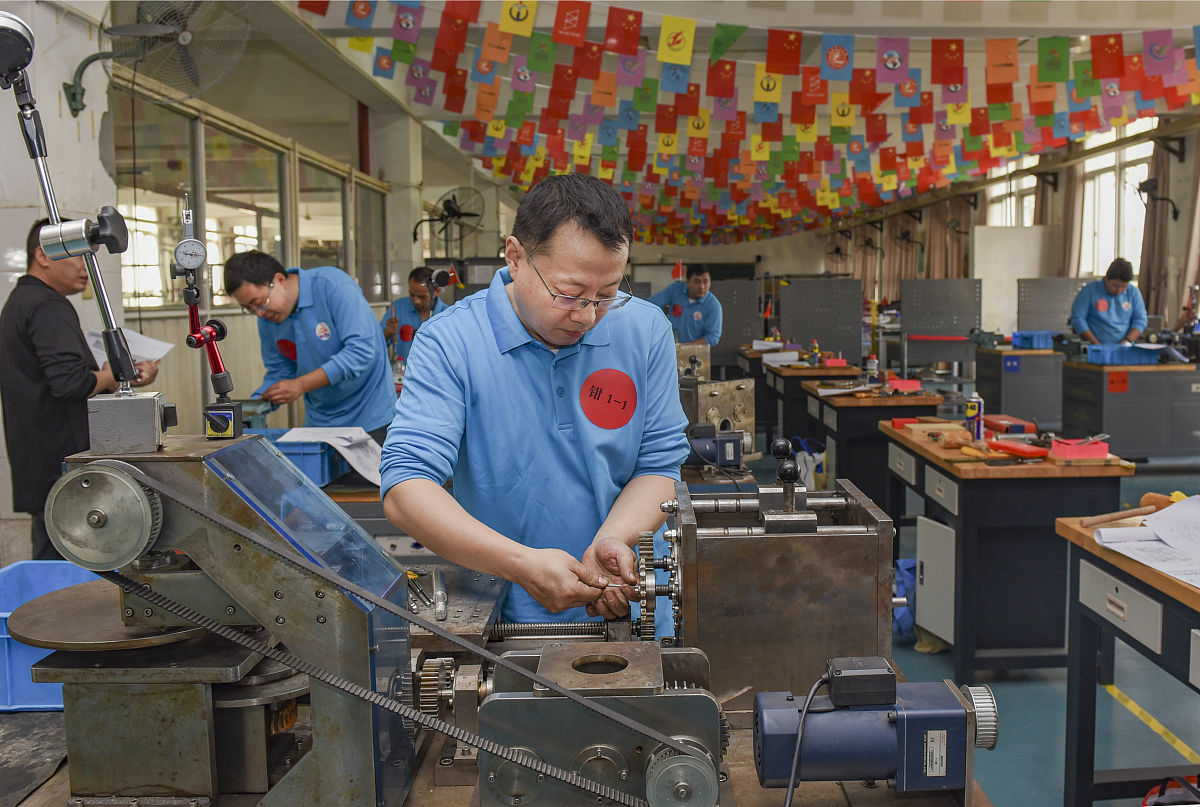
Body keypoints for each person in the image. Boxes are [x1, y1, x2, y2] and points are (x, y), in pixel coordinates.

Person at [380, 173, 689, 627]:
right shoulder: (452, 341)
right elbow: (406, 488)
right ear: (516, 257)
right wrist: (522, 565)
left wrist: (614, 541)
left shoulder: (644, 329)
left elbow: (660, 466)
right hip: (506, 619)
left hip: (633, 603)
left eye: (607, 295)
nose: (587, 316)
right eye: (569, 294)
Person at [0, 218, 160, 560]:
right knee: (65, 561)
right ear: (43, 255)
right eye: (76, 256)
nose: (85, 267)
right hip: (61, 462)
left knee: (52, 552)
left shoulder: (22, 301)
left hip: (38, 457)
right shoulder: (47, 306)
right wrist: (110, 376)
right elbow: (72, 383)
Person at [224, 251, 396, 443]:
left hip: (371, 418)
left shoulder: (332, 285)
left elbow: (361, 352)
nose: (258, 313)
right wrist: (254, 404)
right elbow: (280, 369)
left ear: (279, 280)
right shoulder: (268, 320)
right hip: (319, 424)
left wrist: (300, 385)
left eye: (258, 303)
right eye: (249, 309)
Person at [1069, 258, 1148, 346]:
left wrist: (1126, 342)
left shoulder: (1133, 292)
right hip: (1092, 346)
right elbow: (1078, 319)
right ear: (1106, 279)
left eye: (1124, 287)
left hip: (1124, 347)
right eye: (1115, 285)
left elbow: (1141, 320)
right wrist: (1096, 344)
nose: (1119, 290)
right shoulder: (1089, 291)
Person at [381, 266, 448, 363]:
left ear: (437, 291)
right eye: (412, 295)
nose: (416, 301)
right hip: (403, 374)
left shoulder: (447, 315)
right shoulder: (398, 307)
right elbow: (376, 344)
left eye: (422, 297)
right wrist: (388, 332)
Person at [647, 266, 723, 346]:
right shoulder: (675, 290)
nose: (702, 286)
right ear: (687, 282)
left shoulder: (713, 306)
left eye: (706, 282)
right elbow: (651, 304)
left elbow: (713, 337)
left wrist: (685, 347)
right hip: (670, 347)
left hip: (697, 353)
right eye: (697, 281)